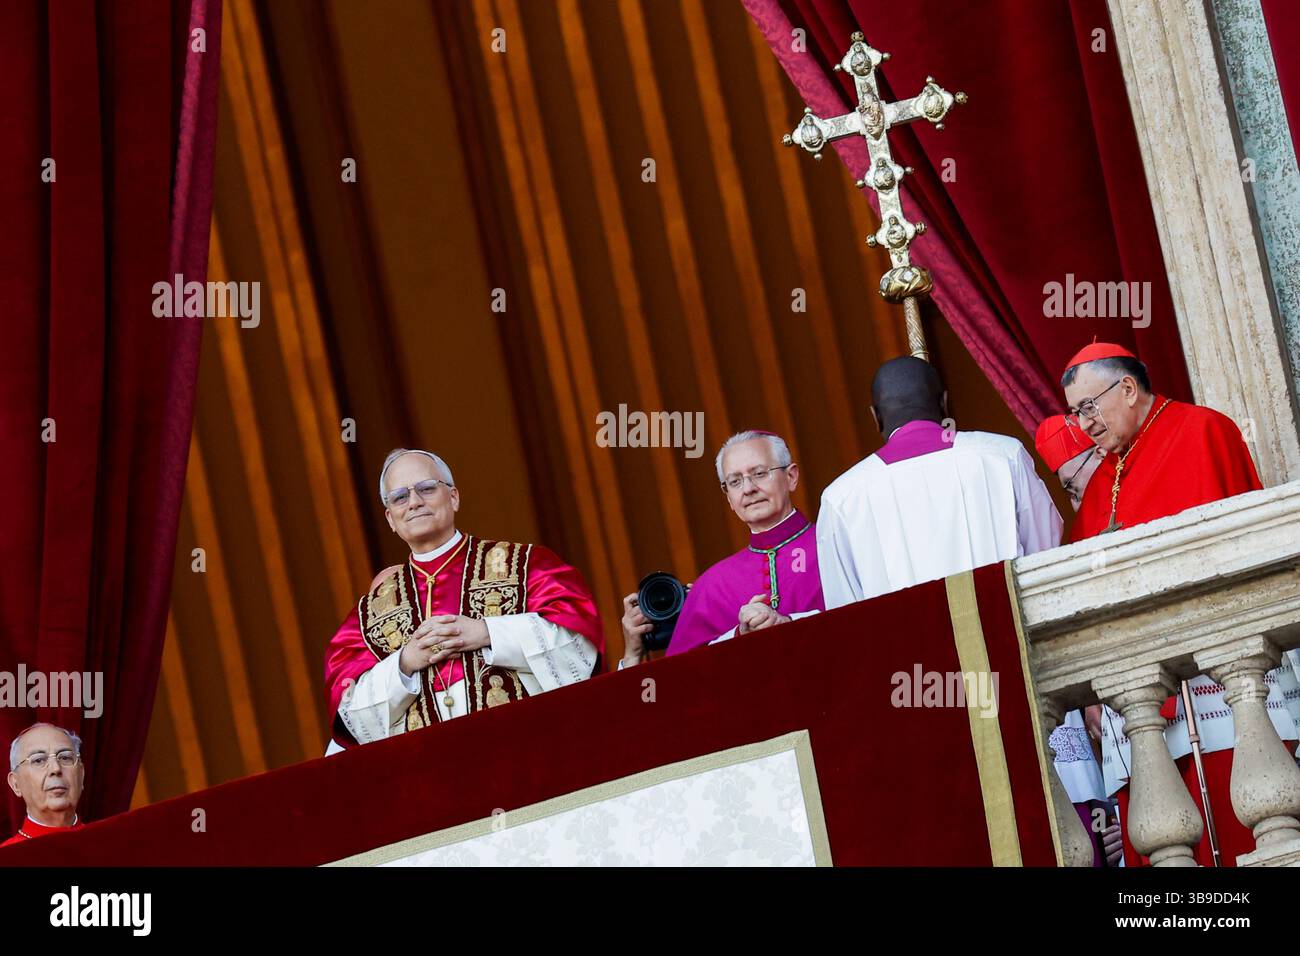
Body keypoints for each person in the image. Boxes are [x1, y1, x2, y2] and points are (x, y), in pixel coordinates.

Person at [1060, 341, 1300, 866]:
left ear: (1127, 387)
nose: (1084, 424)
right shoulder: (1104, 477)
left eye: (1088, 406)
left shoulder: (1203, 430)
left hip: (1223, 685)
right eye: (1076, 413)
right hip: (1144, 703)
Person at [323, 449, 603, 753]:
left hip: (528, 754)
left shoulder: (524, 565)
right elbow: (350, 712)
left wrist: (487, 633)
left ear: (453, 497)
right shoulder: (368, 614)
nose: (414, 502)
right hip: (430, 778)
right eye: (400, 497)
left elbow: (579, 646)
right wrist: (404, 664)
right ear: (390, 518)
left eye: (427, 488)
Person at [818, 356, 1062, 607]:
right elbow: (1044, 554)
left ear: (875, 417)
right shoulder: (1003, 455)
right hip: (1009, 626)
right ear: (945, 403)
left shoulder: (841, 499)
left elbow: (845, 608)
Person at [620, 431, 823, 666]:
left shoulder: (833, 543)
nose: (748, 489)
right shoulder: (710, 586)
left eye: (759, 473)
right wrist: (738, 638)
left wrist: (789, 623)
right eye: (735, 481)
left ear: (791, 477)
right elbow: (679, 685)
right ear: (729, 498)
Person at [4, 723, 86, 846]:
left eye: (65, 757)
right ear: (16, 784)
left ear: (81, 775)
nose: (56, 769)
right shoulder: (6, 858)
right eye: (38, 760)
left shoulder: (110, 846)